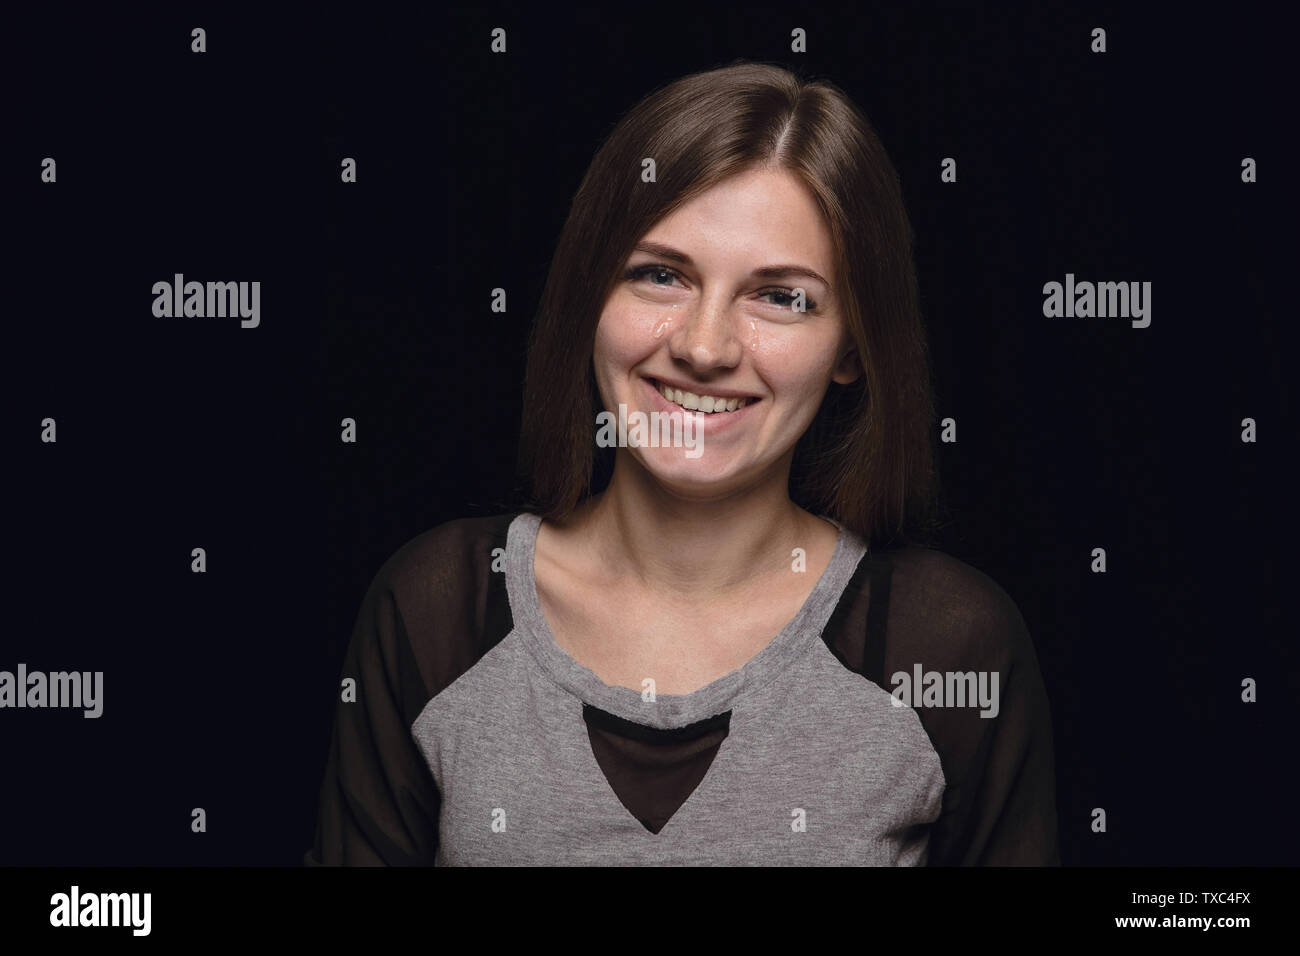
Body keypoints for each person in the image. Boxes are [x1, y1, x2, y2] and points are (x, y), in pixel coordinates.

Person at [306, 61, 1059, 866]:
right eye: (660, 276)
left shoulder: (945, 648)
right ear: (590, 297)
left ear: (851, 346)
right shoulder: (438, 611)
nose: (704, 348)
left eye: (780, 296)